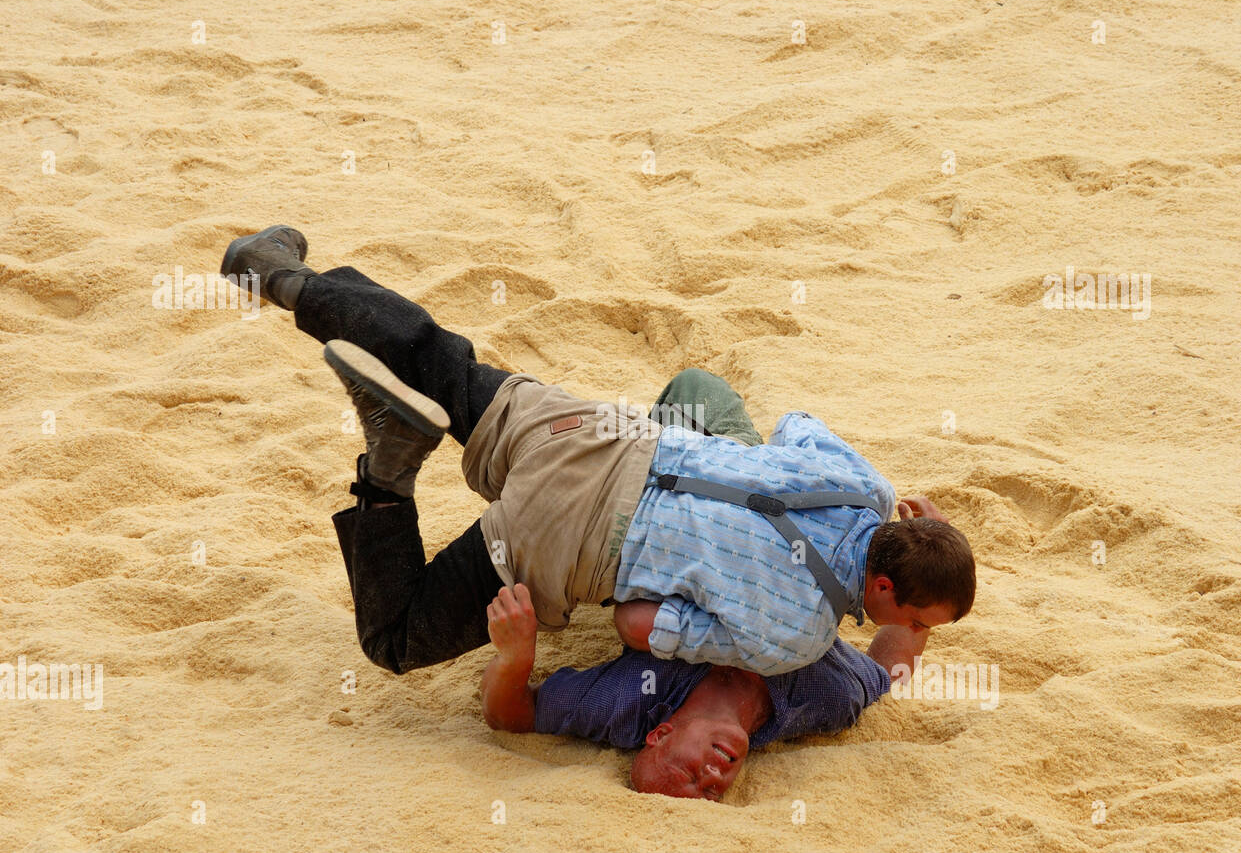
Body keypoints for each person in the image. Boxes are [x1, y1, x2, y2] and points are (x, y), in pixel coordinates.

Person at [220, 225, 976, 680]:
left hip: (599, 435)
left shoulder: (865, 486)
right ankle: (387, 470)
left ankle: (278, 275)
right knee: (395, 640)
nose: (917, 632)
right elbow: (636, 626)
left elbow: (797, 424)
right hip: (570, 536)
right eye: (920, 619)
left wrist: (905, 519)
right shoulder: (799, 638)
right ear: (882, 591)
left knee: (437, 360)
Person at [481, 583, 930, 801]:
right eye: (713, 794)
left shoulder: (631, 701)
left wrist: (515, 656)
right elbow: (886, 674)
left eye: (690, 775)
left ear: (660, 735)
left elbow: (512, 715)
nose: (713, 779)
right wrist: (925, 598)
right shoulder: (826, 697)